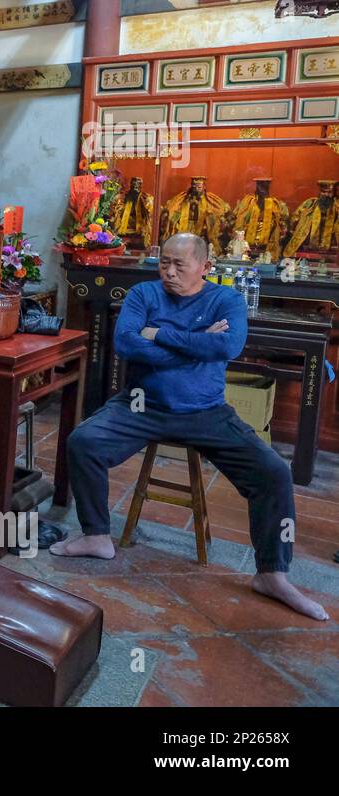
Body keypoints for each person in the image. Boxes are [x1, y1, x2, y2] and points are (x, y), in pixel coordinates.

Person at [52, 233, 328, 621]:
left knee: (273, 472)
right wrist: (196, 343)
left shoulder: (225, 299)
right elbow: (127, 344)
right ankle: (96, 534)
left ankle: (272, 574)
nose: (169, 271)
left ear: (204, 266)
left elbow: (228, 348)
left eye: (180, 265)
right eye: (165, 262)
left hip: (206, 411)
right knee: (83, 441)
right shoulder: (144, 295)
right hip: (143, 404)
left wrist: (160, 334)